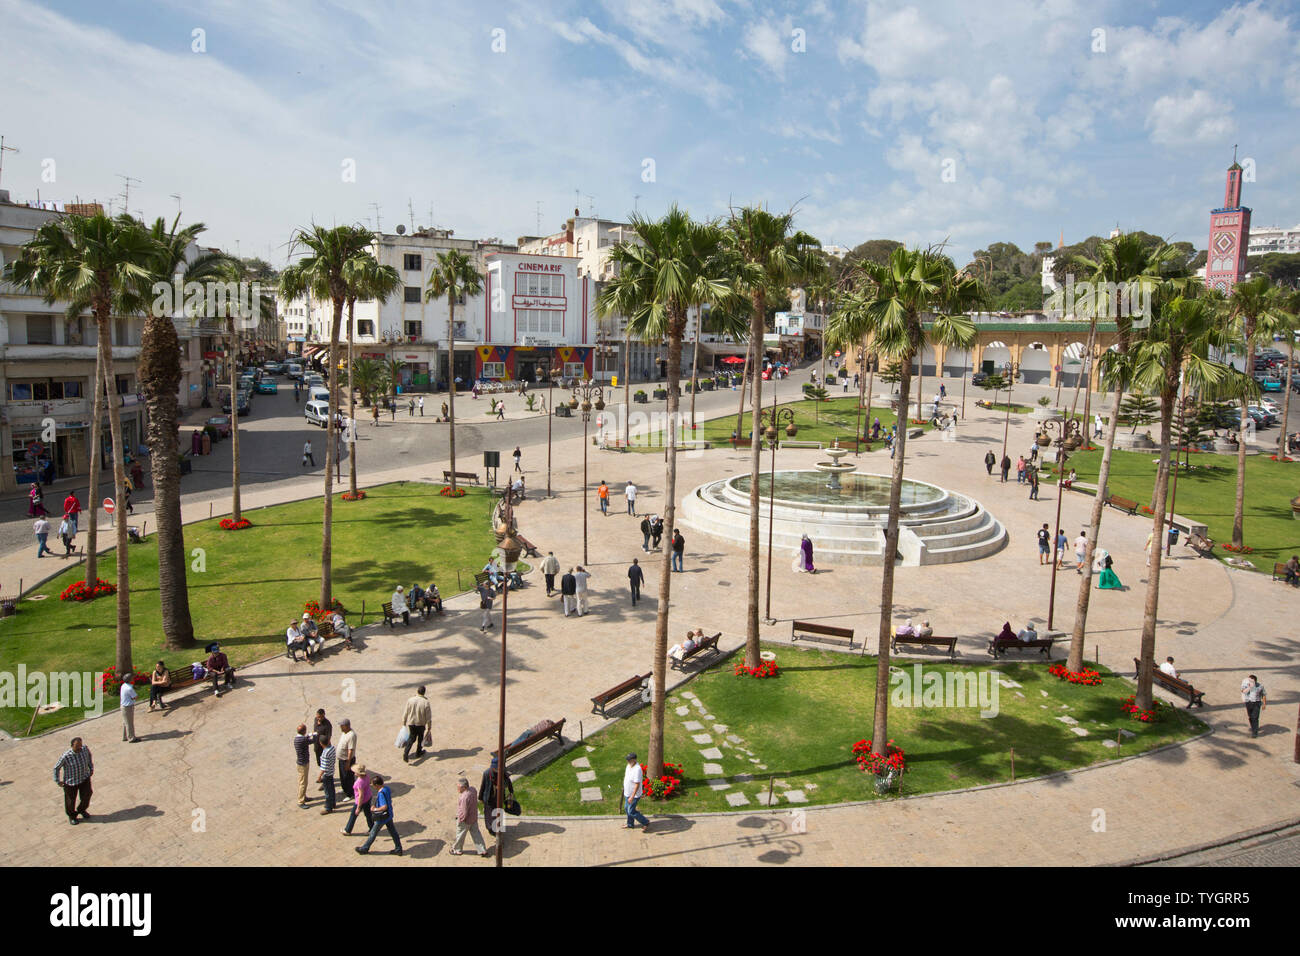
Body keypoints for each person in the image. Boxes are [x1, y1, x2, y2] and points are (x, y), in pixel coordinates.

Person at [356, 774, 402, 856]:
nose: (372, 786)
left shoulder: (381, 793)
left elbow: (384, 806)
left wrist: (375, 809)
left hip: (382, 817)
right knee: (393, 832)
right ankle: (398, 848)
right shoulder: (386, 788)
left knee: (373, 832)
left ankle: (365, 848)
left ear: (377, 785)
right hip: (389, 815)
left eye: (373, 785)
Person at [53, 737, 94, 825]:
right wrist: (57, 780)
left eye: (80, 745)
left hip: (84, 778)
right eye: (77, 746)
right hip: (71, 782)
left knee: (87, 794)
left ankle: (82, 810)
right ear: (72, 746)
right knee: (70, 801)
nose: (79, 747)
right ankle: (72, 816)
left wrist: (91, 768)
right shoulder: (66, 756)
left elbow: (89, 757)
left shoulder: (85, 749)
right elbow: (56, 768)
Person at [451, 777, 491, 857]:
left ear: (464, 787)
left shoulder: (464, 797)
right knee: (476, 834)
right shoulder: (473, 789)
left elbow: (464, 812)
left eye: (459, 787)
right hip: (474, 817)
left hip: (466, 820)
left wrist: (460, 820)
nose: (457, 788)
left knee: (460, 835)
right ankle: (482, 850)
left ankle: (457, 850)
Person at [480, 757, 515, 837]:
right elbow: (483, 786)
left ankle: (498, 828)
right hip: (489, 797)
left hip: (499, 797)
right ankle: (491, 829)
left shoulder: (503, 773)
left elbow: (508, 783)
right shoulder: (486, 773)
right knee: (489, 814)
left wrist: (510, 791)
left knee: (499, 812)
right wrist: (481, 797)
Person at [401, 687, 432, 762]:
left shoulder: (410, 700)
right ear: (424, 693)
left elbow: (405, 712)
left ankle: (406, 753)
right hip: (421, 724)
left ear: (417, 691)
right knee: (420, 738)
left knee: (411, 738)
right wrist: (429, 726)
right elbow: (428, 717)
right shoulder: (426, 702)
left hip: (411, 723)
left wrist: (404, 722)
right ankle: (418, 752)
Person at [622, 752, 650, 832]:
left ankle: (646, 822)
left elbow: (637, 784)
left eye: (629, 760)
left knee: (631, 811)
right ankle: (630, 824)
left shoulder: (637, 769)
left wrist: (632, 796)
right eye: (627, 760)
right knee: (627, 809)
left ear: (634, 760)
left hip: (634, 795)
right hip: (627, 792)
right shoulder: (629, 766)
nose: (628, 761)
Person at [341, 764, 372, 835]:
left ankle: (348, 830)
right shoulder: (366, 776)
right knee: (368, 814)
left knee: (353, 815)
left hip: (361, 801)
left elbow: (361, 795)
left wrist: (358, 807)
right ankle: (372, 827)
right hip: (368, 797)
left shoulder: (359, 782)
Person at [292, 724, 313, 807]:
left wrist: (308, 735)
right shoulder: (303, 740)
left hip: (300, 763)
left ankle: (304, 796)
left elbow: (305, 739)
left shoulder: (297, 738)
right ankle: (301, 801)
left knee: (303, 781)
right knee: (303, 783)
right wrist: (314, 735)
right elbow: (312, 741)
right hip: (303, 764)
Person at [337, 718, 357, 799]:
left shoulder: (351, 735)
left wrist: (348, 762)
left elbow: (350, 750)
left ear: (347, 726)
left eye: (342, 726)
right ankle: (344, 789)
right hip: (342, 759)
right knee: (342, 776)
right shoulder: (344, 732)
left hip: (347, 760)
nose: (340, 727)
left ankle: (350, 793)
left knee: (348, 777)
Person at [318, 734, 337, 815]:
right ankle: (333, 803)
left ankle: (328, 807)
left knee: (327, 792)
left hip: (326, 774)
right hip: (331, 772)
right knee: (332, 789)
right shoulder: (332, 748)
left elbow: (324, 767)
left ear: (321, 743)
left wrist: (319, 776)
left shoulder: (326, 753)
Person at [120, 671, 140, 743]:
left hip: (123, 706)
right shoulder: (129, 688)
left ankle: (125, 736)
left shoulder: (123, 685)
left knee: (126, 722)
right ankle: (131, 738)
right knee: (129, 723)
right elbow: (135, 697)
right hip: (128, 707)